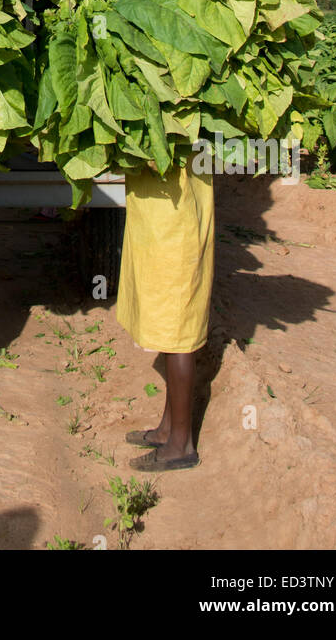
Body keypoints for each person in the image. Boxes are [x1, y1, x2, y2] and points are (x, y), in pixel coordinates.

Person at [117, 157, 214, 471]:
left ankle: (181, 444)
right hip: (162, 207)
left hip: (176, 211)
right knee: (167, 319)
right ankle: (167, 430)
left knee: (178, 328)